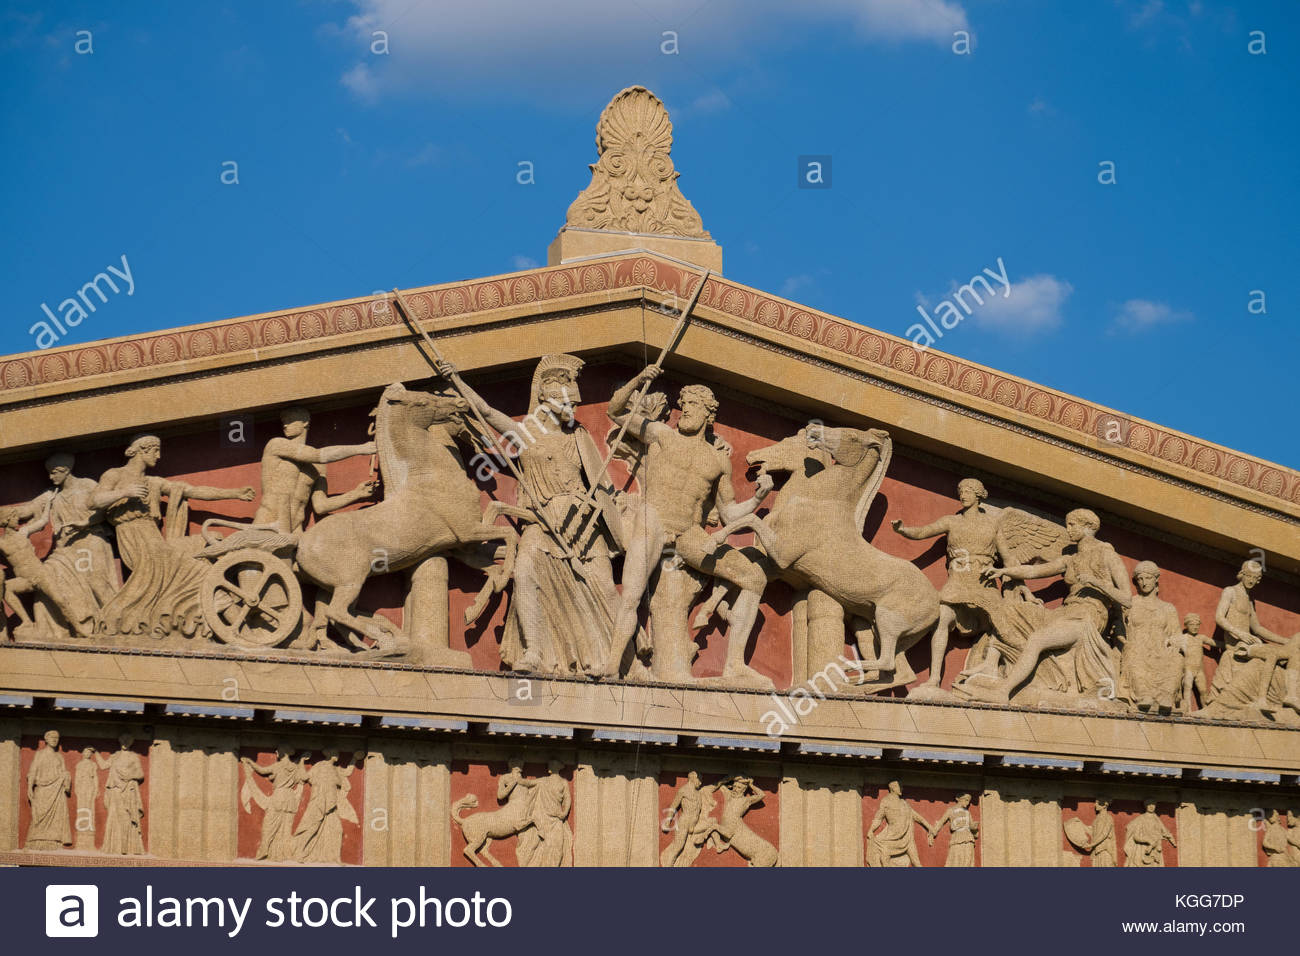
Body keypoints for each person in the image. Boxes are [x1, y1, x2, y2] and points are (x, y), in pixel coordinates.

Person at [436, 355, 621, 677]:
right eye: (569, 403)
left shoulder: (579, 438)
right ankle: (534, 651)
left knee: (602, 587)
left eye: (576, 404)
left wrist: (606, 513)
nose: (574, 410)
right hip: (541, 520)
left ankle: (607, 657)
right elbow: (489, 413)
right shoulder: (526, 435)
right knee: (525, 574)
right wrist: (458, 381)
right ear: (547, 400)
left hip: (582, 523)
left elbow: (604, 489)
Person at [599, 364, 773, 686]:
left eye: (691, 405)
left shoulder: (718, 461)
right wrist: (640, 379)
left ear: (708, 413)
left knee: (752, 577)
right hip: (654, 521)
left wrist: (758, 499)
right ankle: (612, 665)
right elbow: (615, 410)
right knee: (632, 595)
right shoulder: (661, 435)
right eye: (683, 405)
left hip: (689, 534)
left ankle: (734, 665)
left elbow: (729, 514)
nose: (684, 411)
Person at [91, 434, 254, 641]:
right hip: (135, 539)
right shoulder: (114, 475)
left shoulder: (154, 482)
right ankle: (245, 633)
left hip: (154, 539)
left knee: (202, 561)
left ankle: (241, 632)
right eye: (155, 451)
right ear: (143, 450)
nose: (158, 457)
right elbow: (93, 501)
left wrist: (234, 493)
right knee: (199, 572)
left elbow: (193, 490)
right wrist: (124, 492)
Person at [968, 509, 1131, 704]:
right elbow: (1034, 571)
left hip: (1088, 616)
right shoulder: (1071, 559)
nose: (1068, 529)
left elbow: (1127, 598)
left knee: (1037, 639)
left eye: (1072, 525)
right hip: (1065, 612)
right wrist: (1003, 570)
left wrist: (1097, 584)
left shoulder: (1107, 556)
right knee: (1013, 610)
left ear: (1088, 527)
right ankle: (991, 666)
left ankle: (1003, 691)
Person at [891, 478, 1012, 688]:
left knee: (1003, 623)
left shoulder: (992, 525)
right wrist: (903, 530)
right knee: (941, 618)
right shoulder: (951, 521)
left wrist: (1018, 584)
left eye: (967, 491)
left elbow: (1009, 558)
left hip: (985, 586)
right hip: (957, 583)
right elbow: (923, 531)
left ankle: (991, 668)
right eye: (960, 491)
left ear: (978, 495)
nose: (963, 495)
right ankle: (935, 678)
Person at [10, 452, 120, 634]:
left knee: (97, 583)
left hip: (91, 541)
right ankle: (57, 631)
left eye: (54, 472)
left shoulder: (87, 485)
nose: (50, 477)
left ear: (66, 470)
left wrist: (86, 523)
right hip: (65, 549)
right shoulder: (52, 495)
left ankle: (113, 626)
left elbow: (104, 510)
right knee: (47, 581)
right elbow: (25, 510)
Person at [0, 507, 95, 639]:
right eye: (15, 517)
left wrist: (49, 504)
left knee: (60, 600)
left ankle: (79, 628)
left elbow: (43, 521)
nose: (18, 520)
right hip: (24, 580)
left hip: (40, 574)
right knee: (6, 589)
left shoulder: (23, 532)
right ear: (6, 520)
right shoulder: (2, 543)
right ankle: (27, 621)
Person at [1210, 559, 1287, 699]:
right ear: (1242, 574)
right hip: (1236, 645)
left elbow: (1257, 628)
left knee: (1282, 655)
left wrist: (1284, 640)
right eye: (1249, 576)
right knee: (1272, 654)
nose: (1251, 580)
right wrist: (1240, 633)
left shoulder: (1249, 600)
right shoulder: (1230, 591)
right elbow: (1219, 617)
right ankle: (1262, 699)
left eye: (1255, 578)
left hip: (1248, 644)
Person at [1119, 561, 1183, 713]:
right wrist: (1126, 642)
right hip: (1138, 648)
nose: (1144, 582)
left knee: (1177, 659)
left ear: (1156, 579)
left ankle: (1166, 696)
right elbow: (1118, 627)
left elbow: (1177, 634)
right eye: (1140, 579)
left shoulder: (1168, 608)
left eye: (1147, 578)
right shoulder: (1130, 604)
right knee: (1134, 655)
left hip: (1161, 651)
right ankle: (1143, 696)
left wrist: (1174, 644)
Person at [240, 747, 306, 861]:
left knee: (269, 825)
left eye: (277, 751)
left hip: (279, 797)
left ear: (282, 752)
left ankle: (265, 850)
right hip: (290, 799)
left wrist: (250, 761)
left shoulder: (278, 766)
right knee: (285, 829)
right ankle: (282, 854)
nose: (276, 753)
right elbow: (302, 779)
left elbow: (261, 770)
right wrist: (301, 761)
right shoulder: (295, 768)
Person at [292, 749, 358, 863]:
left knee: (337, 830)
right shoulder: (320, 765)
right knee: (312, 828)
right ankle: (299, 853)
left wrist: (355, 758)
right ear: (329, 754)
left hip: (331, 805)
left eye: (337, 753)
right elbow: (305, 777)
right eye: (334, 753)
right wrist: (302, 761)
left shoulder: (336, 769)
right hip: (318, 801)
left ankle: (335, 858)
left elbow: (347, 772)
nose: (337, 755)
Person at [95, 734, 145, 855]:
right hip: (116, 790)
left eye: (128, 740)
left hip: (128, 790)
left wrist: (130, 776)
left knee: (127, 818)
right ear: (119, 741)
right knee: (114, 817)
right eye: (123, 740)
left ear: (131, 742)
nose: (125, 742)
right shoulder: (115, 756)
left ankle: (127, 847)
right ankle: (113, 846)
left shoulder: (134, 757)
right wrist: (96, 752)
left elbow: (140, 774)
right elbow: (103, 766)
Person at [867, 780, 931, 867]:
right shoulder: (886, 801)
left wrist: (930, 828)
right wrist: (871, 830)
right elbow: (878, 818)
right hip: (891, 837)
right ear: (893, 788)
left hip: (907, 838)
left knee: (916, 862)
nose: (902, 788)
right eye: (899, 786)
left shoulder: (904, 803)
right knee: (883, 855)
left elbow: (918, 817)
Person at [25, 729, 71, 850]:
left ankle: (54, 842)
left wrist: (66, 777)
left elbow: (64, 772)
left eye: (57, 738)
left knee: (56, 817)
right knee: (39, 817)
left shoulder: (59, 757)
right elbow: (32, 772)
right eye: (52, 737)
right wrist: (29, 787)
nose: (55, 740)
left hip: (57, 791)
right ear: (46, 739)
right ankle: (36, 842)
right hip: (42, 789)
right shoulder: (40, 754)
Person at [928, 793, 978, 866]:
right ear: (959, 799)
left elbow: (971, 826)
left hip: (968, 838)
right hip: (957, 838)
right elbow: (941, 822)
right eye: (966, 800)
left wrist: (974, 827)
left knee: (967, 862)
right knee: (955, 860)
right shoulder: (951, 810)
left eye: (969, 801)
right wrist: (932, 834)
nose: (968, 803)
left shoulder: (967, 812)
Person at [1124, 800, 1176, 867]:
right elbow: (1135, 836)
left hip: (1156, 849)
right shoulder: (1140, 819)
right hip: (1143, 849)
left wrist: (1172, 839)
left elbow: (1165, 831)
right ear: (1145, 806)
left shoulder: (1156, 819)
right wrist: (1148, 840)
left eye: (1153, 804)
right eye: (1149, 804)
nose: (1152, 807)